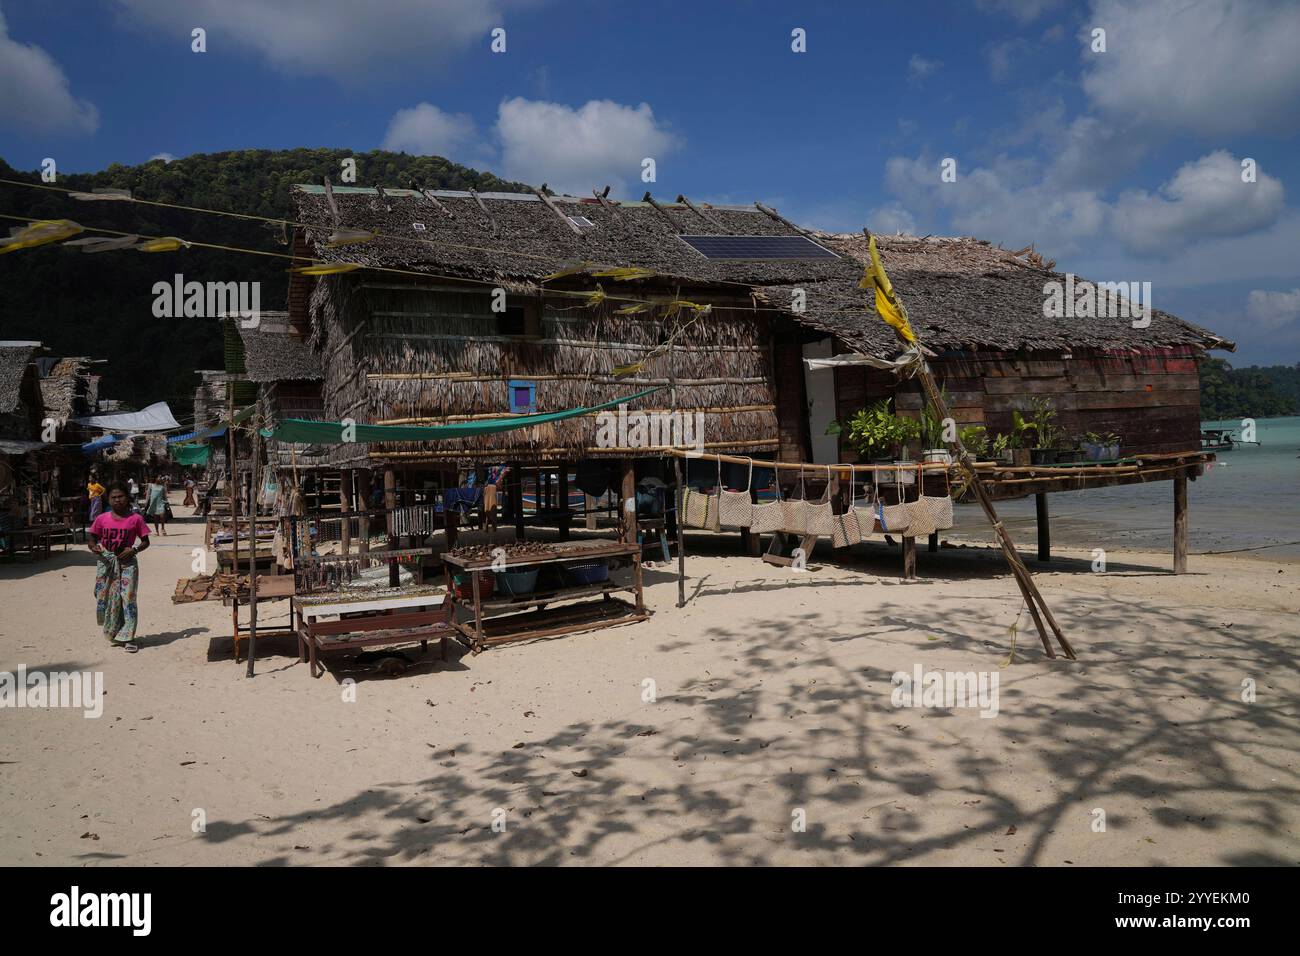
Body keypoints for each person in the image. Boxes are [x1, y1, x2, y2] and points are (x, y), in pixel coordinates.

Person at [88, 482, 150, 653]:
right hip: (107, 563)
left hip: (128, 564)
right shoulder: (101, 519)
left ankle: (129, 636)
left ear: (127, 497)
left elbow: (146, 541)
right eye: (113, 497)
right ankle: (115, 631)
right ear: (108, 500)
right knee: (107, 598)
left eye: (120, 496)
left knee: (128, 598)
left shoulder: (136, 519)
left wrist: (134, 549)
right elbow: (92, 539)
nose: (117, 500)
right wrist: (94, 547)